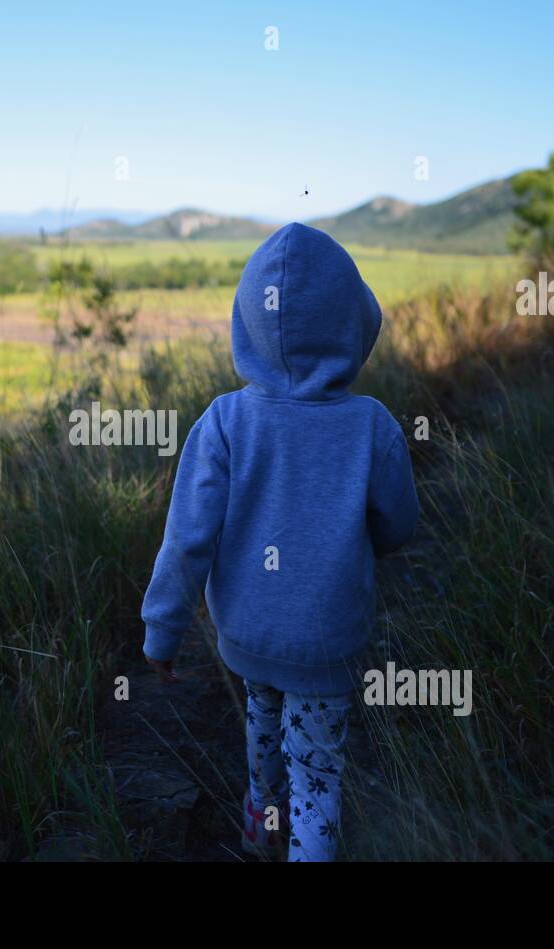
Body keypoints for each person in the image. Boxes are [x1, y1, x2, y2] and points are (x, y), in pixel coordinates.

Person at [140, 222, 419, 861]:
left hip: (246, 636)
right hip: (327, 640)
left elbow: (187, 540)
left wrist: (161, 631)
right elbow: (400, 527)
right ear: (354, 323)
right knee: (317, 778)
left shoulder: (223, 422)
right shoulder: (371, 427)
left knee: (262, 741)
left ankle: (258, 838)